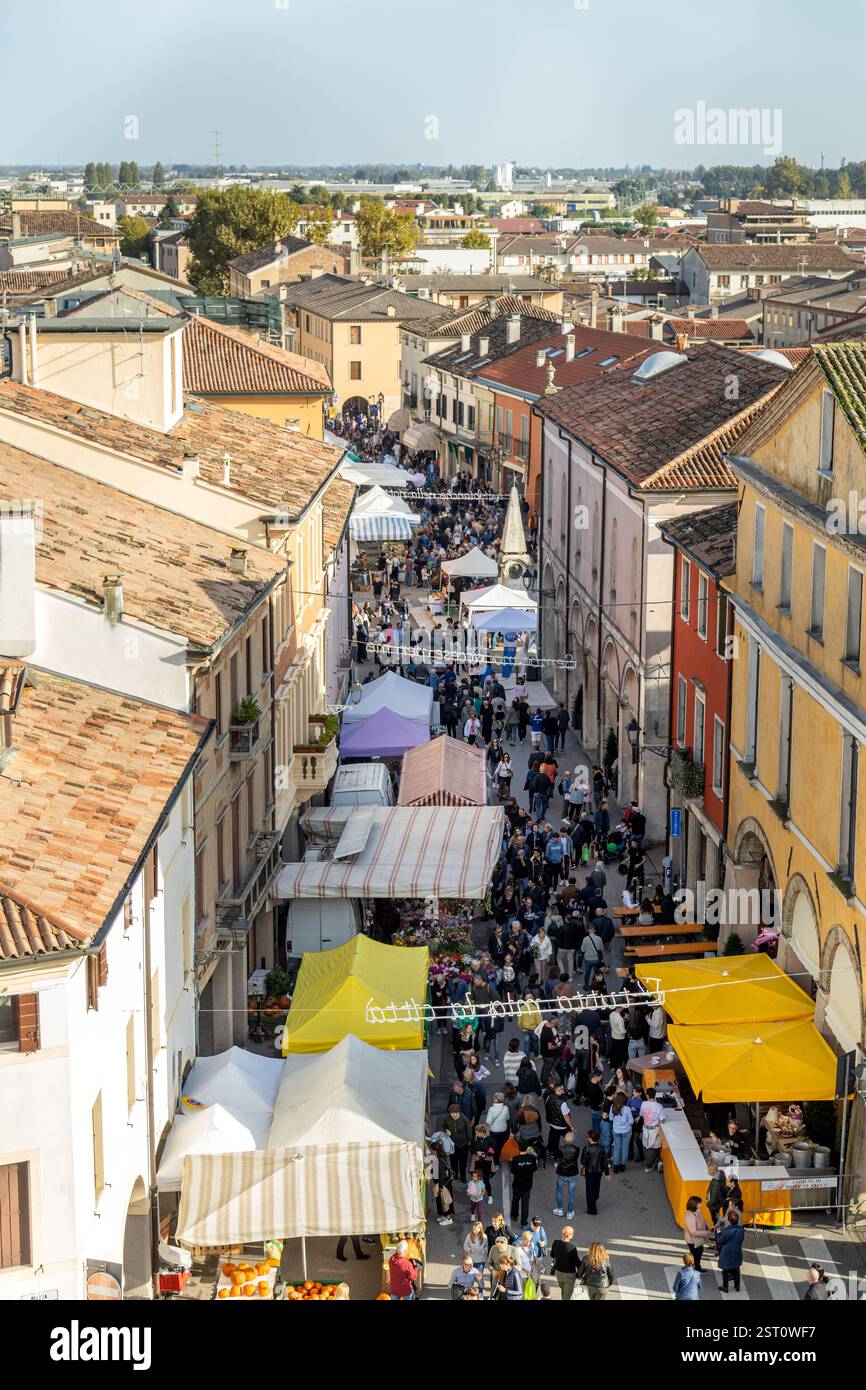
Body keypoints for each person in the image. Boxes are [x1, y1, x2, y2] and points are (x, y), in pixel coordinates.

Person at [580, 1128, 611, 1215]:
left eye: (587, 1136)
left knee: (589, 1189)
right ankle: (595, 1197)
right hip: (598, 1171)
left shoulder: (586, 1148)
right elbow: (605, 1161)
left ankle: (592, 1209)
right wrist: (607, 1173)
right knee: (596, 1186)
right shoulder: (602, 1148)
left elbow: (582, 1161)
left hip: (589, 1171)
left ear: (590, 1138)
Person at [509, 1143, 538, 1228]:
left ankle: (514, 1215)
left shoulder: (515, 1159)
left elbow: (512, 1172)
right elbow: (534, 1170)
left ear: (518, 1148)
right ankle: (524, 1222)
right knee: (525, 1203)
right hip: (527, 1184)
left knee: (515, 1199)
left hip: (517, 1184)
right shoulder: (532, 1158)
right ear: (527, 1148)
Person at [716, 1211, 745, 1293]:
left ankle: (725, 1287)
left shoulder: (726, 1231)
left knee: (725, 1271)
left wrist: (718, 1232)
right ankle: (737, 1286)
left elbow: (719, 1241)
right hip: (737, 1252)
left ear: (728, 1221)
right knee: (736, 1269)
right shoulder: (741, 1230)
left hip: (727, 1254)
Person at [550, 1224, 580, 1301]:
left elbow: (552, 1255)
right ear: (569, 1235)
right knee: (567, 1296)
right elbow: (576, 1262)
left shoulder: (555, 1243)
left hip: (558, 1273)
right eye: (572, 1234)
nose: (573, 1235)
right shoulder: (572, 1247)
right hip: (569, 1275)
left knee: (563, 1291)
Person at [553, 1131, 580, 1218]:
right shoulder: (576, 1149)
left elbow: (557, 1157)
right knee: (571, 1193)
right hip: (572, 1172)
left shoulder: (560, 1148)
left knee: (559, 1190)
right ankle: (570, 1212)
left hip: (562, 1172)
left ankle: (559, 1209)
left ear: (564, 1139)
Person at [684, 1194, 711, 1270]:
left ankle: (696, 1266)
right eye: (699, 1203)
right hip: (693, 1240)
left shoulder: (696, 1211)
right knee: (695, 1255)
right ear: (695, 1204)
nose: (701, 1204)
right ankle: (695, 1268)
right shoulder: (690, 1217)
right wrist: (706, 1232)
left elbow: (702, 1219)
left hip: (698, 1238)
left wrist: (707, 1225)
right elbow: (693, 1232)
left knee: (699, 1252)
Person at [640, 1087, 664, 1171]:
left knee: (648, 1146)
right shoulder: (659, 1106)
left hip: (646, 1129)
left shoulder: (643, 1104)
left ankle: (658, 1161)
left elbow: (642, 1115)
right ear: (655, 1095)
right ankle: (648, 1166)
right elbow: (662, 1120)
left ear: (647, 1095)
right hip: (654, 1130)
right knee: (654, 1148)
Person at [610, 1095, 634, 1173]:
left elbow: (610, 1118)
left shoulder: (612, 1107)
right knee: (625, 1148)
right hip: (626, 1131)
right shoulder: (627, 1109)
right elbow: (631, 1121)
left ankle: (616, 1166)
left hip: (616, 1131)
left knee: (617, 1148)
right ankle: (622, 1166)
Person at [706, 1162, 726, 1227]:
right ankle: (718, 1233)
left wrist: (709, 1204)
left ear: (715, 1170)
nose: (708, 1172)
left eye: (710, 1170)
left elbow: (714, 1197)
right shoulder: (721, 1173)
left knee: (715, 1221)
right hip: (719, 1201)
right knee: (717, 1219)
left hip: (714, 1205)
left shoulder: (715, 1183)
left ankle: (717, 1236)